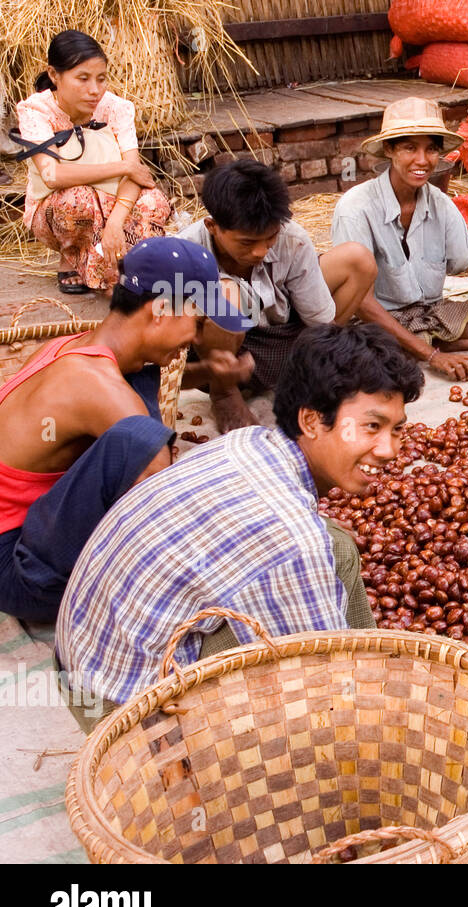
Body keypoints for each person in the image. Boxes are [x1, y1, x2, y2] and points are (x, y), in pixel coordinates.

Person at [55, 323, 423, 729]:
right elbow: (320, 684)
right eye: (372, 427)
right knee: (326, 696)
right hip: (124, 709)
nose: (390, 450)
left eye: (397, 428)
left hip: (81, 657)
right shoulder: (292, 540)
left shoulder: (248, 440)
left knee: (336, 546)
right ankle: (370, 688)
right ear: (312, 421)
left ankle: (369, 662)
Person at [0, 236, 250, 623]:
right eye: (197, 322)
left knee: (142, 384)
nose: (197, 339)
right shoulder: (99, 388)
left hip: (27, 532)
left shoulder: (75, 349)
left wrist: (206, 372)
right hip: (19, 574)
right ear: (161, 310)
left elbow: (131, 380)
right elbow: (168, 509)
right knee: (139, 442)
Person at [331, 97, 468, 378]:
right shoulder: (356, 207)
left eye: (431, 149)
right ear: (389, 150)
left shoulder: (440, 203)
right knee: (354, 355)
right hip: (376, 323)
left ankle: (432, 339)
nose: (422, 161)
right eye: (410, 148)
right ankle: (425, 344)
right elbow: (363, 304)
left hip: (430, 314)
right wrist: (432, 357)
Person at [177, 159, 384, 432]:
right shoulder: (185, 249)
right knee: (224, 295)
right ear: (213, 227)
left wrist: (335, 369)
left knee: (358, 260)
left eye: (270, 238)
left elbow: (321, 321)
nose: (261, 252)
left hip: (281, 338)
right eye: (247, 243)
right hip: (216, 356)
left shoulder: (292, 239)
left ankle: (301, 367)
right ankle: (225, 394)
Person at [13, 30, 171, 295]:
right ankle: (81, 262)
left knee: (154, 201)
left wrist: (115, 223)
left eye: (101, 79)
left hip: (111, 202)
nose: (94, 90)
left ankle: (123, 262)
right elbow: (52, 176)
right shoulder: (36, 110)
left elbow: (136, 176)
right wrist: (122, 167)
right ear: (54, 75)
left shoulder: (117, 108)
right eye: (82, 79)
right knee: (79, 199)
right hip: (58, 207)